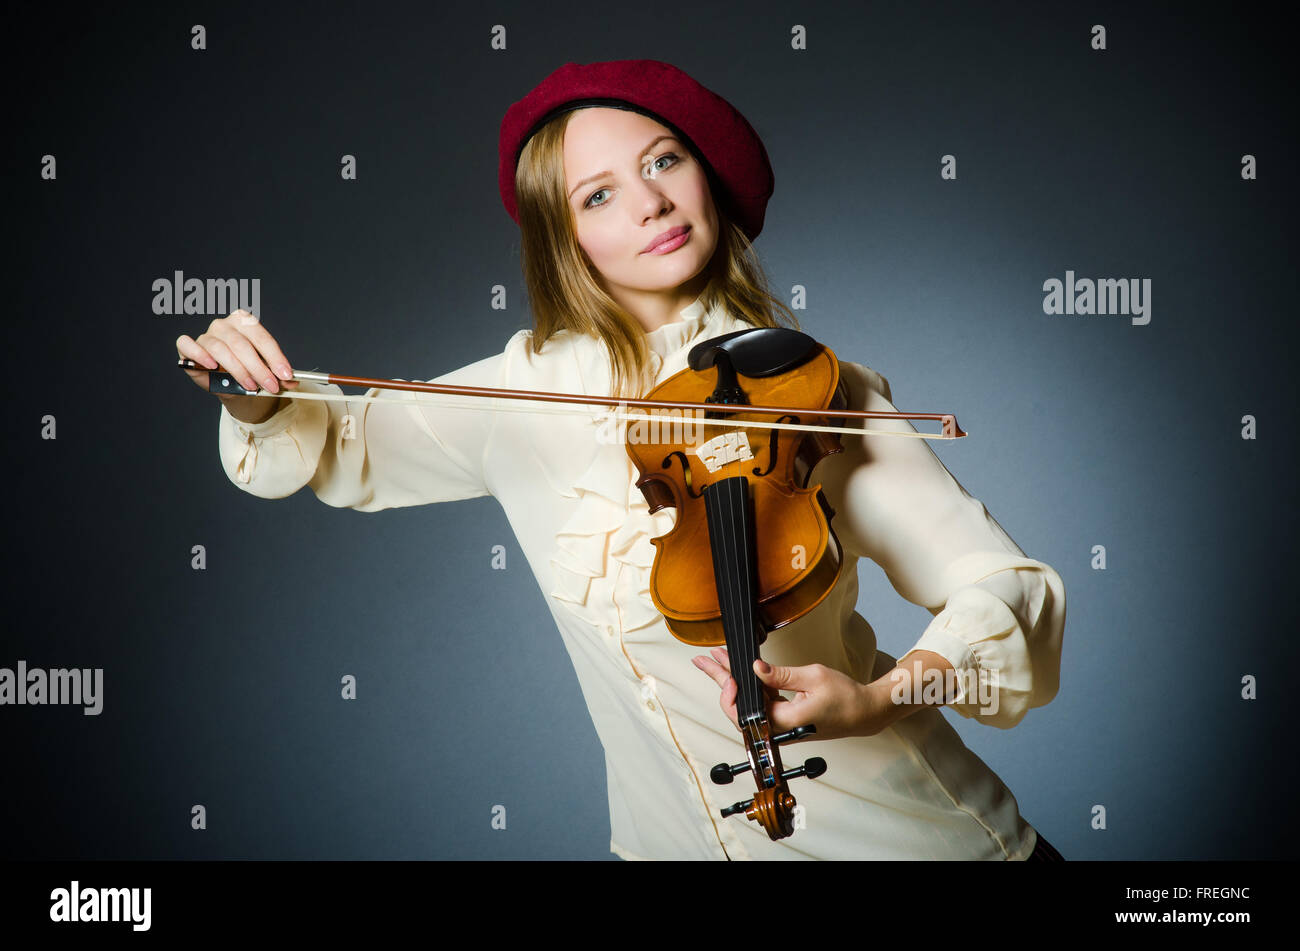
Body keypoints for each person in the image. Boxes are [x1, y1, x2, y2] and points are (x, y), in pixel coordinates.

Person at [176, 59, 1067, 861]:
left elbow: (1006, 587)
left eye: (663, 161)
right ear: (563, 240)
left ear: (707, 178)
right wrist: (250, 389)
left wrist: (881, 698)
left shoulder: (808, 392)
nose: (649, 202)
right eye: (596, 195)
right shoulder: (520, 395)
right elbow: (337, 441)